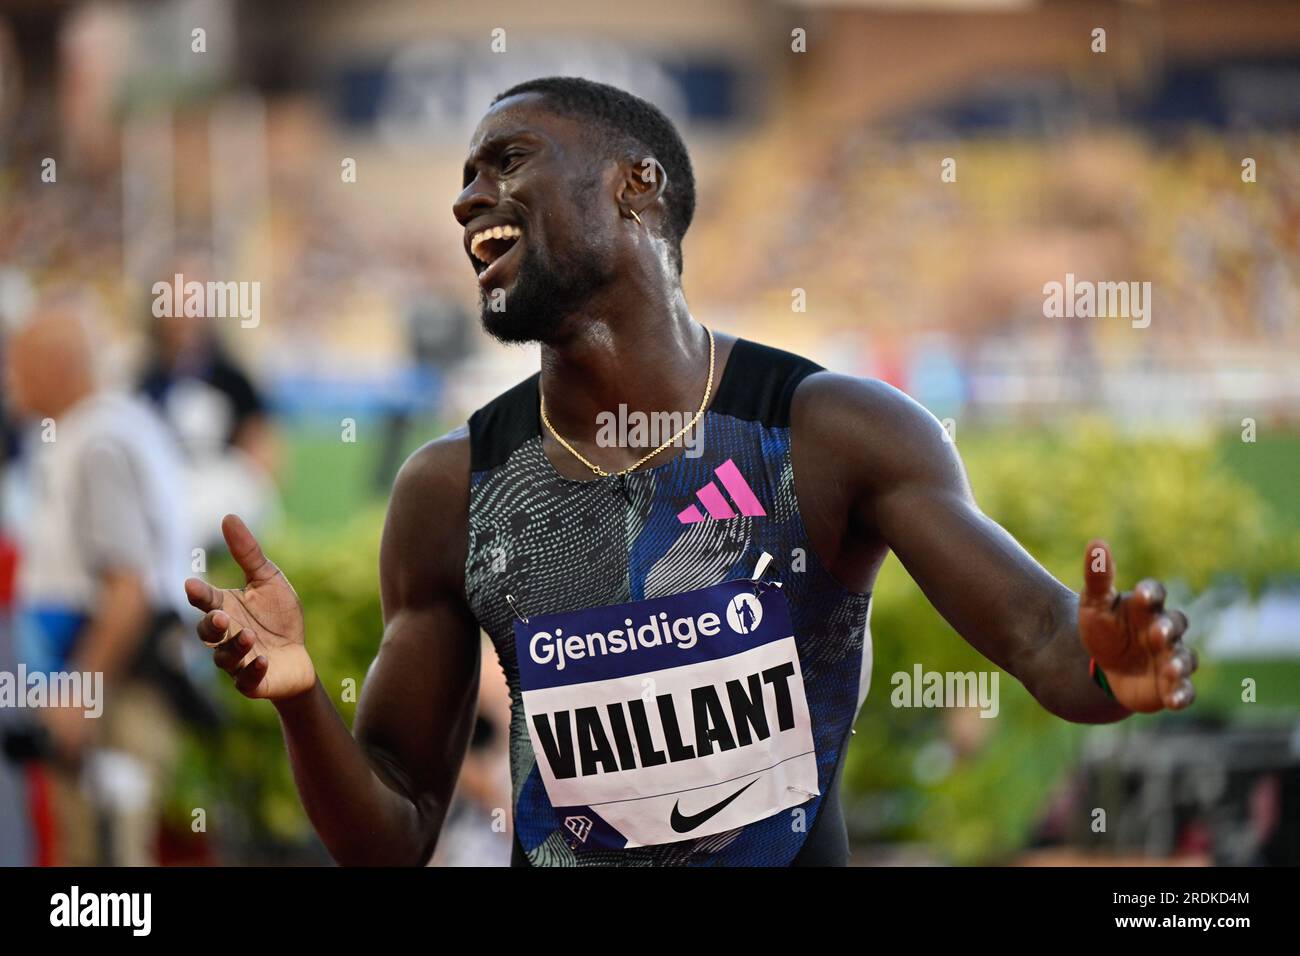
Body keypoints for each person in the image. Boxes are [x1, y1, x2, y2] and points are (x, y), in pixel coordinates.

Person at [185, 77, 1198, 867]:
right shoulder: (449, 489)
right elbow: (392, 830)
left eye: (506, 160)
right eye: (463, 177)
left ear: (637, 183)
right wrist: (301, 698)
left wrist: (1109, 662)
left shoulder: (831, 432)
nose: (466, 200)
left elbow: (1041, 636)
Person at [5, 303, 193, 865]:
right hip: (105, 682)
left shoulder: (100, 441)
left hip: (118, 689)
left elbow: (127, 588)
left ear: (57, 366)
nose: (10, 382)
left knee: (109, 868)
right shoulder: (87, 433)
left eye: (19, 365)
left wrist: (78, 698)